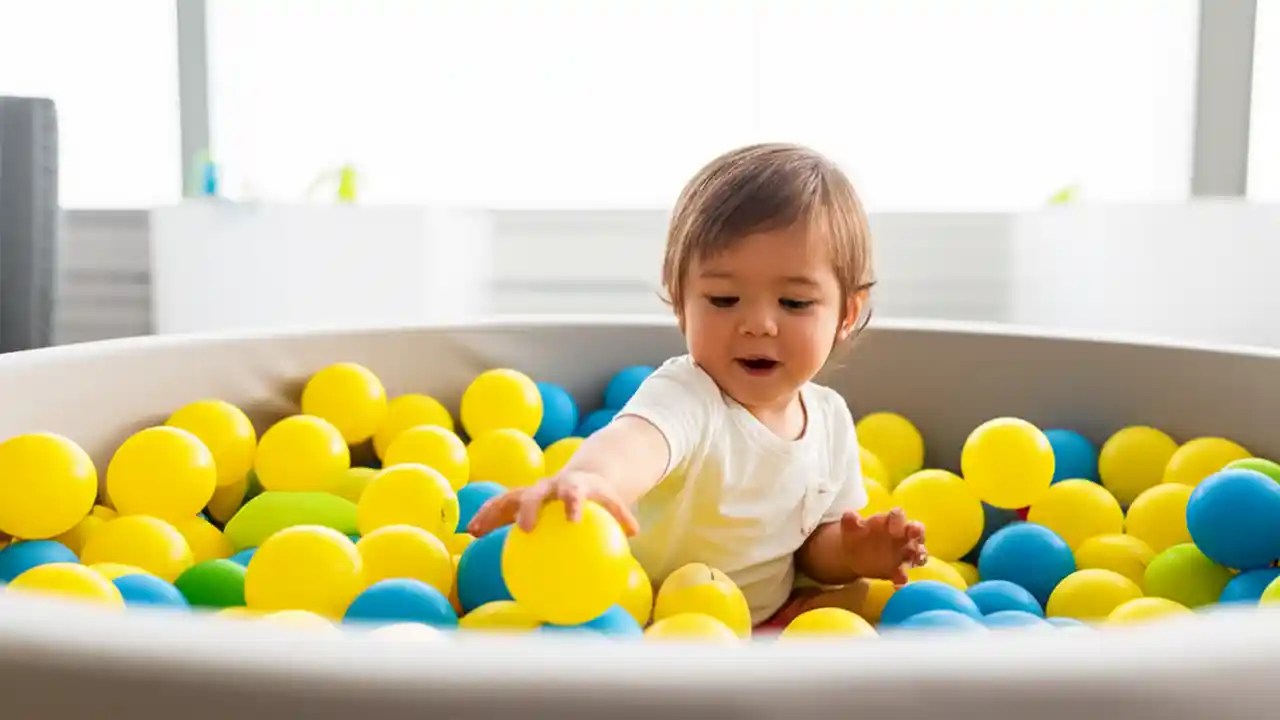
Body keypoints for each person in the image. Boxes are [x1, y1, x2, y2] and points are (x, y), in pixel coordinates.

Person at [468, 142, 928, 630]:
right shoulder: (688, 394)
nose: (758, 324)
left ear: (847, 314)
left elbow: (813, 549)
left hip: (762, 629)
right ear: (680, 300)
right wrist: (593, 480)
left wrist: (855, 553)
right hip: (641, 624)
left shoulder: (831, 420)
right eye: (724, 298)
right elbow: (635, 446)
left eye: (794, 303)